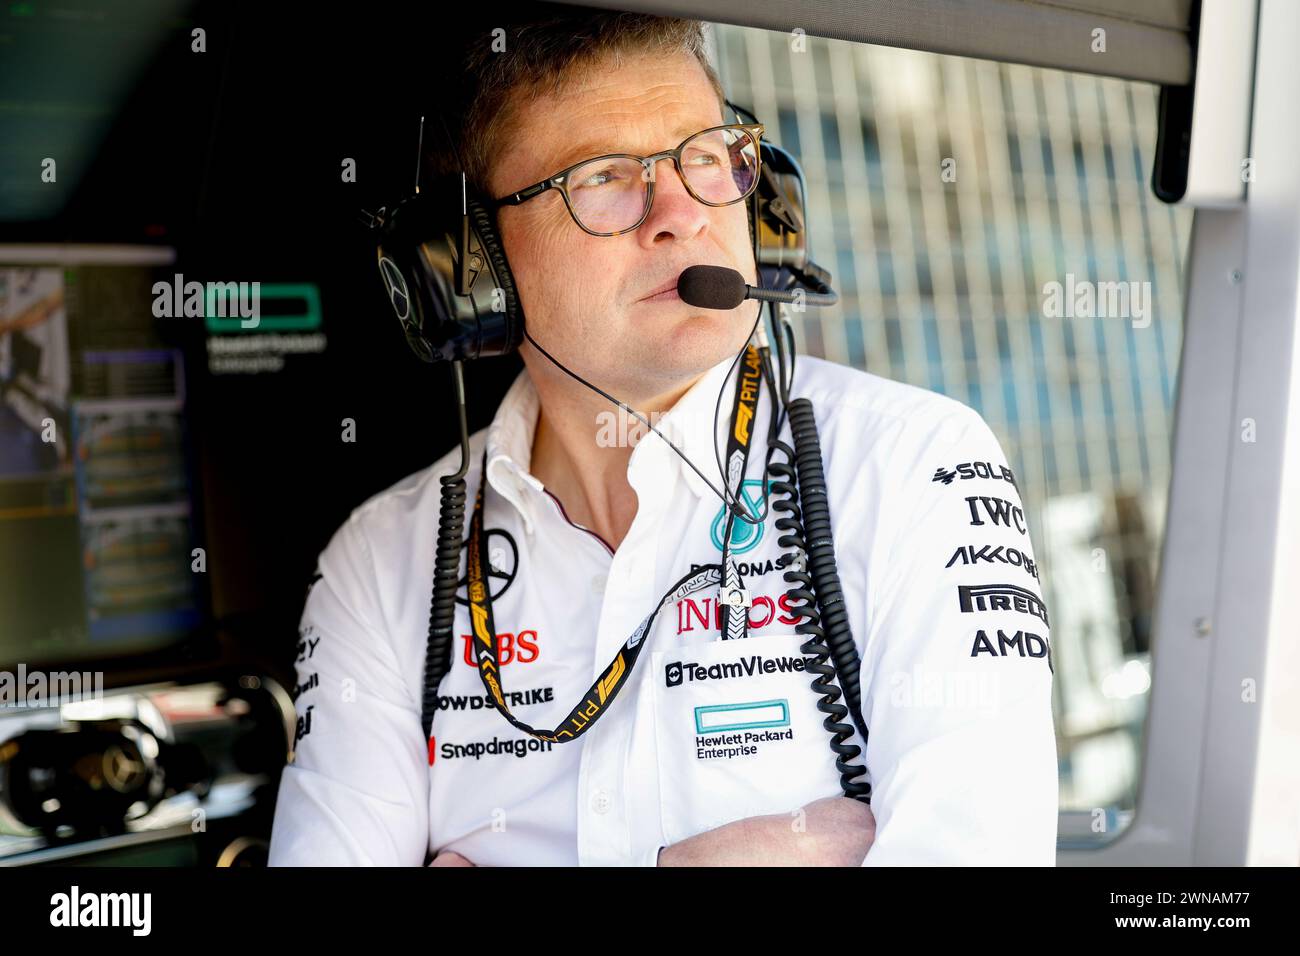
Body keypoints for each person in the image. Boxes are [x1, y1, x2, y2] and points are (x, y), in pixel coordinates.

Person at [268, 6, 1058, 867]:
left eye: (708, 158)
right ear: (472, 262)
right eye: (606, 177)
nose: (683, 212)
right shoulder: (382, 563)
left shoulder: (918, 467)